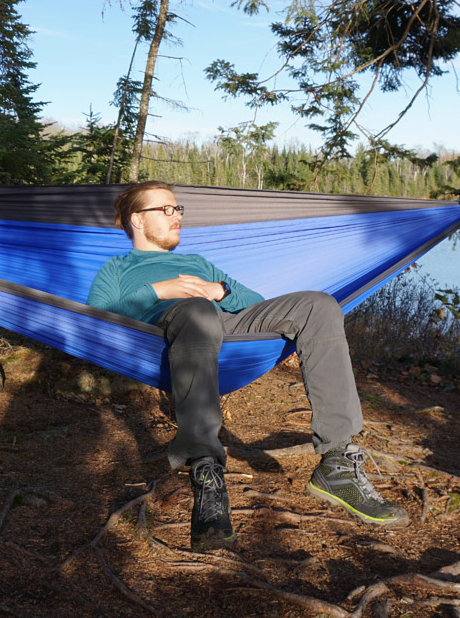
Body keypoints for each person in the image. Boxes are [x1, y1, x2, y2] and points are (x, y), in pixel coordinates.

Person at [87, 181, 408, 550]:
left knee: (318, 305)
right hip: (168, 330)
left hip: (222, 325)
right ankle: (206, 472)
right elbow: (98, 318)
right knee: (197, 311)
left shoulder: (197, 263)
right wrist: (160, 291)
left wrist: (219, 290)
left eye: (178, 210)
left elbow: (254, 302)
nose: (177, 217)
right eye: (166, 210)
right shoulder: (117, 268)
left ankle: (335, 463)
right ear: (137, 220)